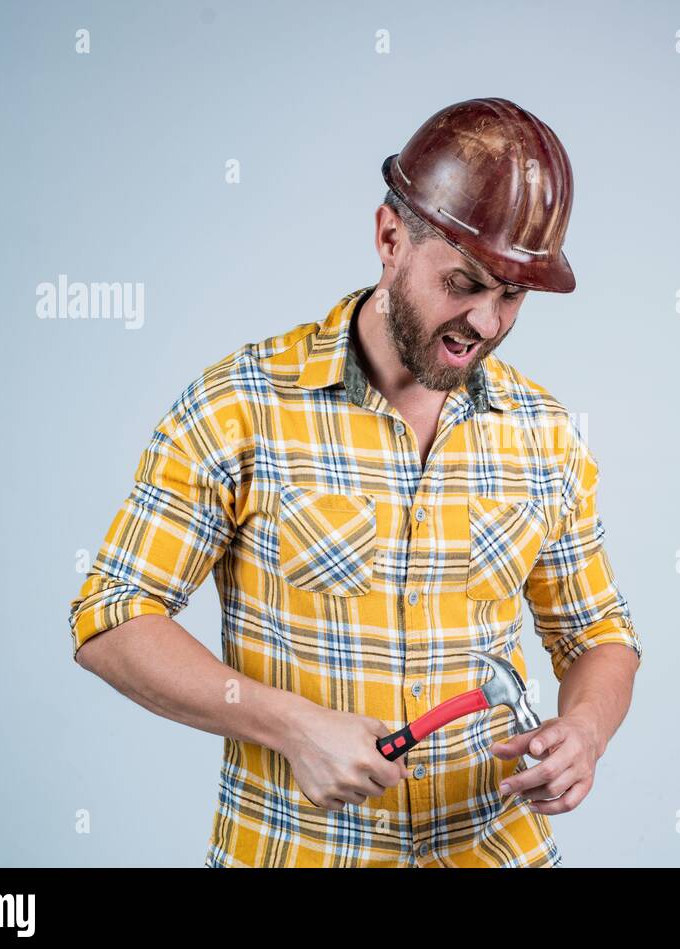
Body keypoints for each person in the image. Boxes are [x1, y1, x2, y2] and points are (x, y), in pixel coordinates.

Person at [68, 97, 642, 867]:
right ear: (389, 237)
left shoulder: (544, 432)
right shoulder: (242, 406)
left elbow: (598, 632)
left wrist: (587, 731)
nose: (487, 321)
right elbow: (110, 618)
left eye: (511, 296)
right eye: (464, 283)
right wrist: (289, 723)